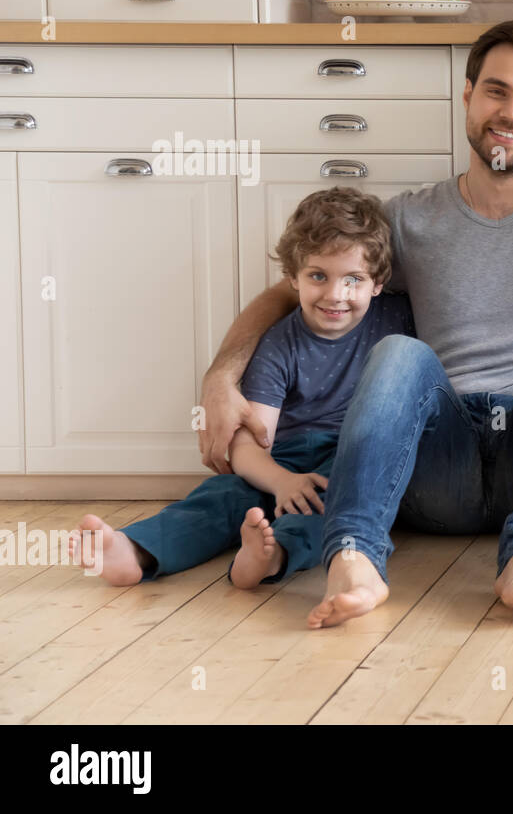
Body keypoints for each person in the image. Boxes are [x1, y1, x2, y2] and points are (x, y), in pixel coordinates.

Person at [196, 20, 513, 628]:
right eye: (496, 91)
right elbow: (291, 290)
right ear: (467, 95)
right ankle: (355, 558)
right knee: (398, 352)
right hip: (437, 462)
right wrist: (221, 377)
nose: (512, 112)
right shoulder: (409, 219)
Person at [72, 187, 416, 590]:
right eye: (318, 276)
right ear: (293, 278)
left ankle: (272, 557)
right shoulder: (279, 343)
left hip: (352, 456)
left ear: (378, 284)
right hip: (282, 459)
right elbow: (249, 442)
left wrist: (299, 487)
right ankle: (137, 550)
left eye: (353, 279)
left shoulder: (397, 321)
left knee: (328, 499)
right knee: (220, 496)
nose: (335, 295)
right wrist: (280, 481)